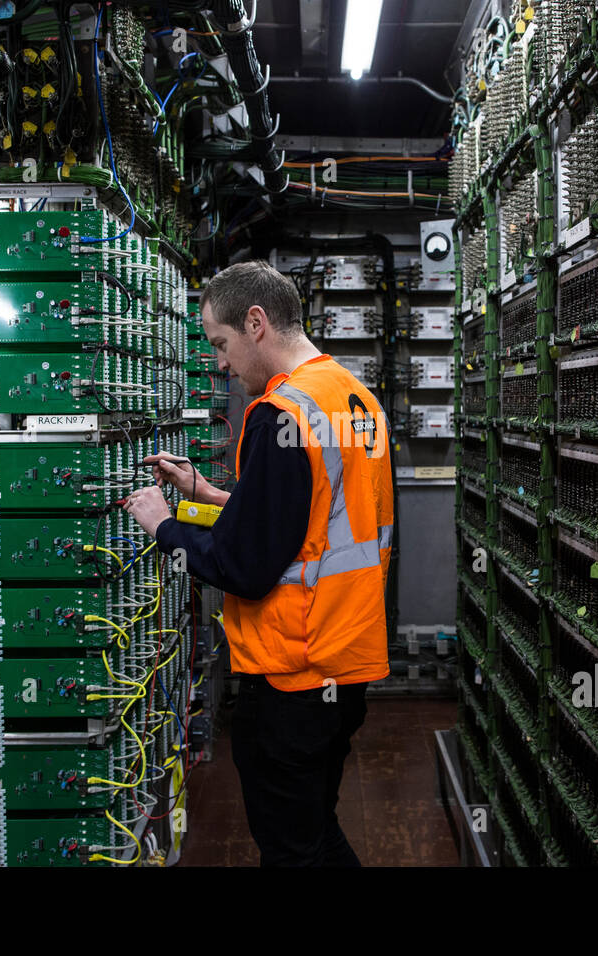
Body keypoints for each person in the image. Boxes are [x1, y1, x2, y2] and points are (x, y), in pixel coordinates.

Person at [122, 259, 394, 867]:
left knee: (295, 849)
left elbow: (245, 567)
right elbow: (309, 527)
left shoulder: (279, 415)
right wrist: (211, 494)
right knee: (314, 833)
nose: (219, 362)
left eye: (221, 343)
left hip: (290, 675)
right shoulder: (352, 397)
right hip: (343, 668)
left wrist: (163, 525)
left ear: (256, 322)